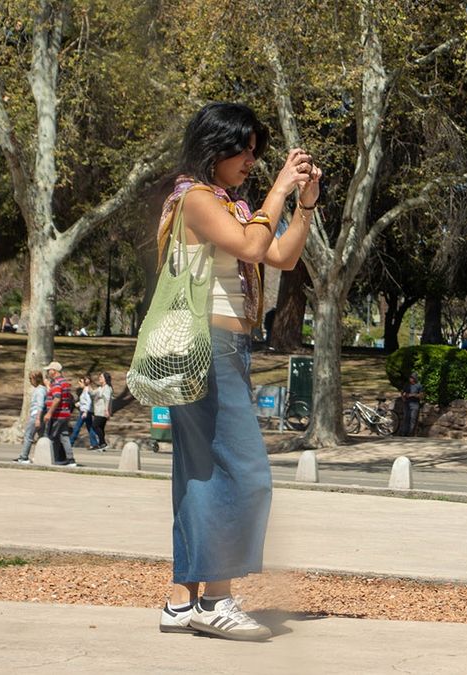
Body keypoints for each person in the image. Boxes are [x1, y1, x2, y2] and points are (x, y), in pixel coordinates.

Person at [156, 102, 318, 641]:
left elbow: (281, 258)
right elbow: (253, 243)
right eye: (243, 148)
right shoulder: (196, 198)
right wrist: (277, 188)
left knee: (201, 474)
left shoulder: (226, 205)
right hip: (210, 345)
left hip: (219, 348)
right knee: (246, 475)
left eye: (256, 151)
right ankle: (216, 600)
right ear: (214, 147)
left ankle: (183, 601)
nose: (251, 158)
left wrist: (305, 208)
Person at [43, 361, 77, 466]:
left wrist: (49, 413)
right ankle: (70, 459)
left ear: (54, 371)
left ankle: (50, 458)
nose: (48, 372)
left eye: (49, 370)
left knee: (52, 436)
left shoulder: (57, 383)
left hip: (58, 415)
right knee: (64, 436)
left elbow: (57, 399)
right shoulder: (64, 382)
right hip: (65, 414)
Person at [15, 371, 48, 463]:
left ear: (36, 379)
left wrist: (37, 418)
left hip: (36, 416)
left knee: (28, 436)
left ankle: (23, 457)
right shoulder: (42, 389)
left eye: (31, 379)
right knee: (43, 437)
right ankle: (45, 456)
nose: (30, 381)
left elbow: (40, 405)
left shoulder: (40, 390)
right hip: (39, 416)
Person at [69, 376, 99, 449]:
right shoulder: (85, 390)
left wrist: (85, 412)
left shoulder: (87, 390)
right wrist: (78, 404)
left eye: (81, 382)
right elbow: (84, 401)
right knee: (90, 427)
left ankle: (70, 442)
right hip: (86, 411)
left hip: (84, 412)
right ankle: (94, 443)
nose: (79, 384)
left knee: (77, 427)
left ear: (84, 383)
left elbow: (88, 402)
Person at [91, 371, 113, 451]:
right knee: (100, 428)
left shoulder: (107, 388)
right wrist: (87, 387)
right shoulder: (100, 388)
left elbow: (107, 399)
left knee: (95, 426)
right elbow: (93, 393)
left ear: (105, 379)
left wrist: (107, 410)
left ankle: (103, 443)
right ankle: (101, 444)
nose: (99, 378)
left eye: (101, 377)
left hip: (102, 411)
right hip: (98, 411)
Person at [400, 372, 424, 436]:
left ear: (415, 378)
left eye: (412, 377)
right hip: (407, 404)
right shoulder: (407, 385)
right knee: (406, 418)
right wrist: (403, 398)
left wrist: (413, 395)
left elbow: (422, 395)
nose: (410, 379)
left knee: (413, 418)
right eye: (410, 377)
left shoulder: (419, 385)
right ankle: (404, 433)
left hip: (415, 404)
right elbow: (402, 392)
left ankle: (410, 433)